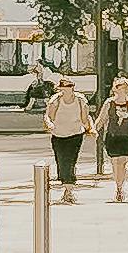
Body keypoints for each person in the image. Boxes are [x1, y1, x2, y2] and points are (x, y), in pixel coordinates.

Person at [44, 68, 91, 201]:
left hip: (76, 134)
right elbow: (48, 116)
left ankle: (68, 190)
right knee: (61, 161)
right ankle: (66, 185)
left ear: (73, 88)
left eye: (69, 86)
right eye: (63, 87)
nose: (66, 89)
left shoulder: (80, 99)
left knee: (71, 161)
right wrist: (49, 124)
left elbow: (85, 117)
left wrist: (89, 128)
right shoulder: (55, 100)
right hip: (58, 135)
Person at [97, 73, 128, 203]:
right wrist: (94, 129)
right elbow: (101, 118)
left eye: (124, 88)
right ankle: (118, 185)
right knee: (115, 162)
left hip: (127, 136)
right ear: (114, 89)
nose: (121, 90)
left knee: (123, 161)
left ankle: (119, 187)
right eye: (119, 87)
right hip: (112, 136)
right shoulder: (109, 103)